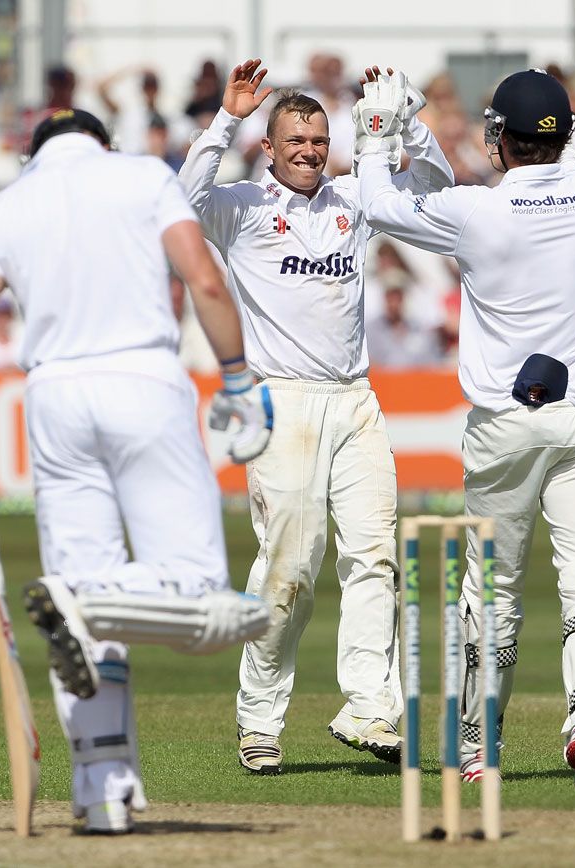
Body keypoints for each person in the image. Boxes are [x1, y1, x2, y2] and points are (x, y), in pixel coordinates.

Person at [0, 108, 273, 834]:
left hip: (53, 398)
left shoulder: (5, 206)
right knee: (201, 596)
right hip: (144, 380)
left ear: (32, 154)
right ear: (103, 143)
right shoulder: (143, 176)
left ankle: (101, 789)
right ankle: (82, 598)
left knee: (85, 610)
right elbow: (204, 281)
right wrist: (238, 383)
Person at [178, 59, 454, 774]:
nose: (307, 150)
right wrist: (227, 117)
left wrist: (407, 120)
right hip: (282, 401)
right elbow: (180, 197)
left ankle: (369, 706)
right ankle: (260, 719)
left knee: (375, 557)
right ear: (269, 147)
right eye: (293, 139)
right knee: (291, 567)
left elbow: (437, 193)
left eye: (317, 139)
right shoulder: (239, 206)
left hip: (355, 399)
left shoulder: (352, 198)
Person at [357, 68, 575, 785]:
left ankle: (478, 747)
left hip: (504, 425)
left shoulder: (479, 214)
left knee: (493, 590)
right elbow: (453, 198)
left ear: (500, 137)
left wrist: (378, 132)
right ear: (565, 136)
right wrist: (416, 131)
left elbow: (382, 205)